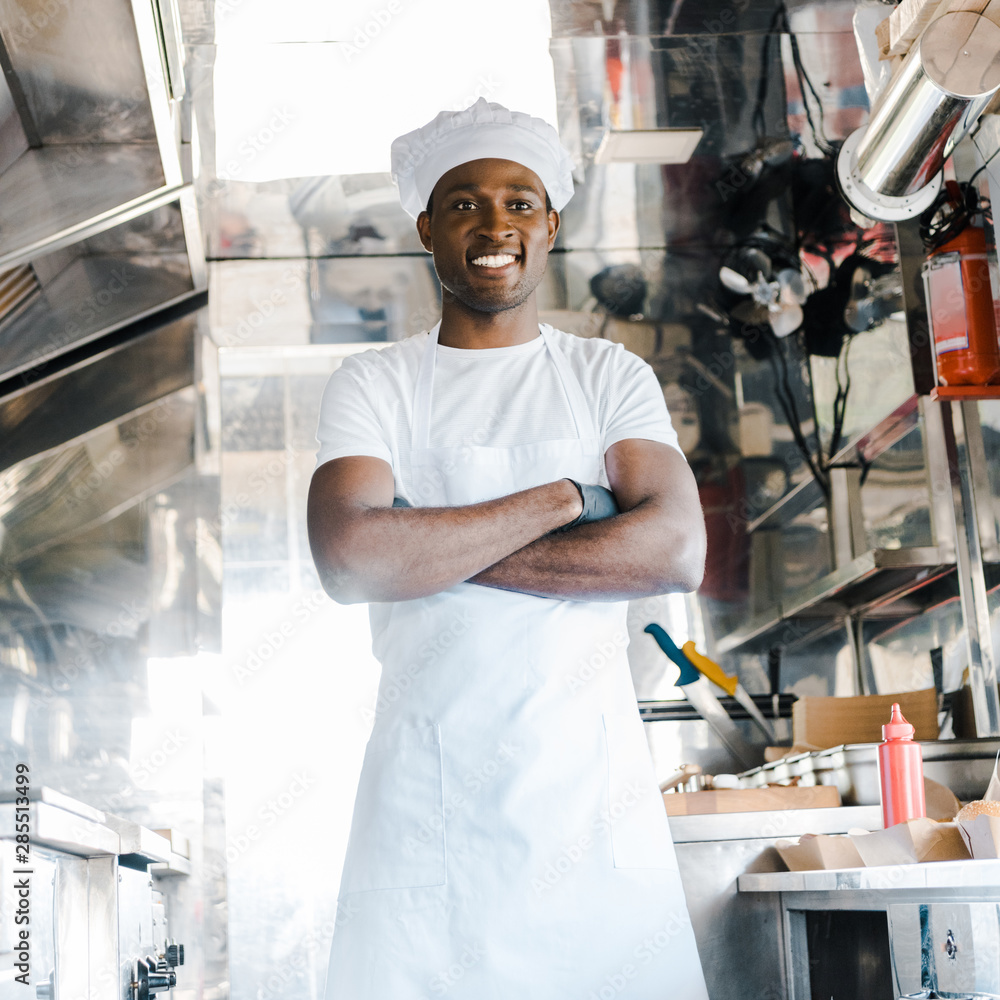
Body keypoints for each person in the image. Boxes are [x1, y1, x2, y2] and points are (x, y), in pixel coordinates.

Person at [307, 97, 710, 1000]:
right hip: (427, 804)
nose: (495, 225)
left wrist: (425, 540)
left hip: (589, 806)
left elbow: (676, 550)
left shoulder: (607, 375)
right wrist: (568, 500)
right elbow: (348, 562)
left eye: (519, 202)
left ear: (551, 223)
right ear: (426, 227)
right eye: (464, 203)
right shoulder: (376, 383)